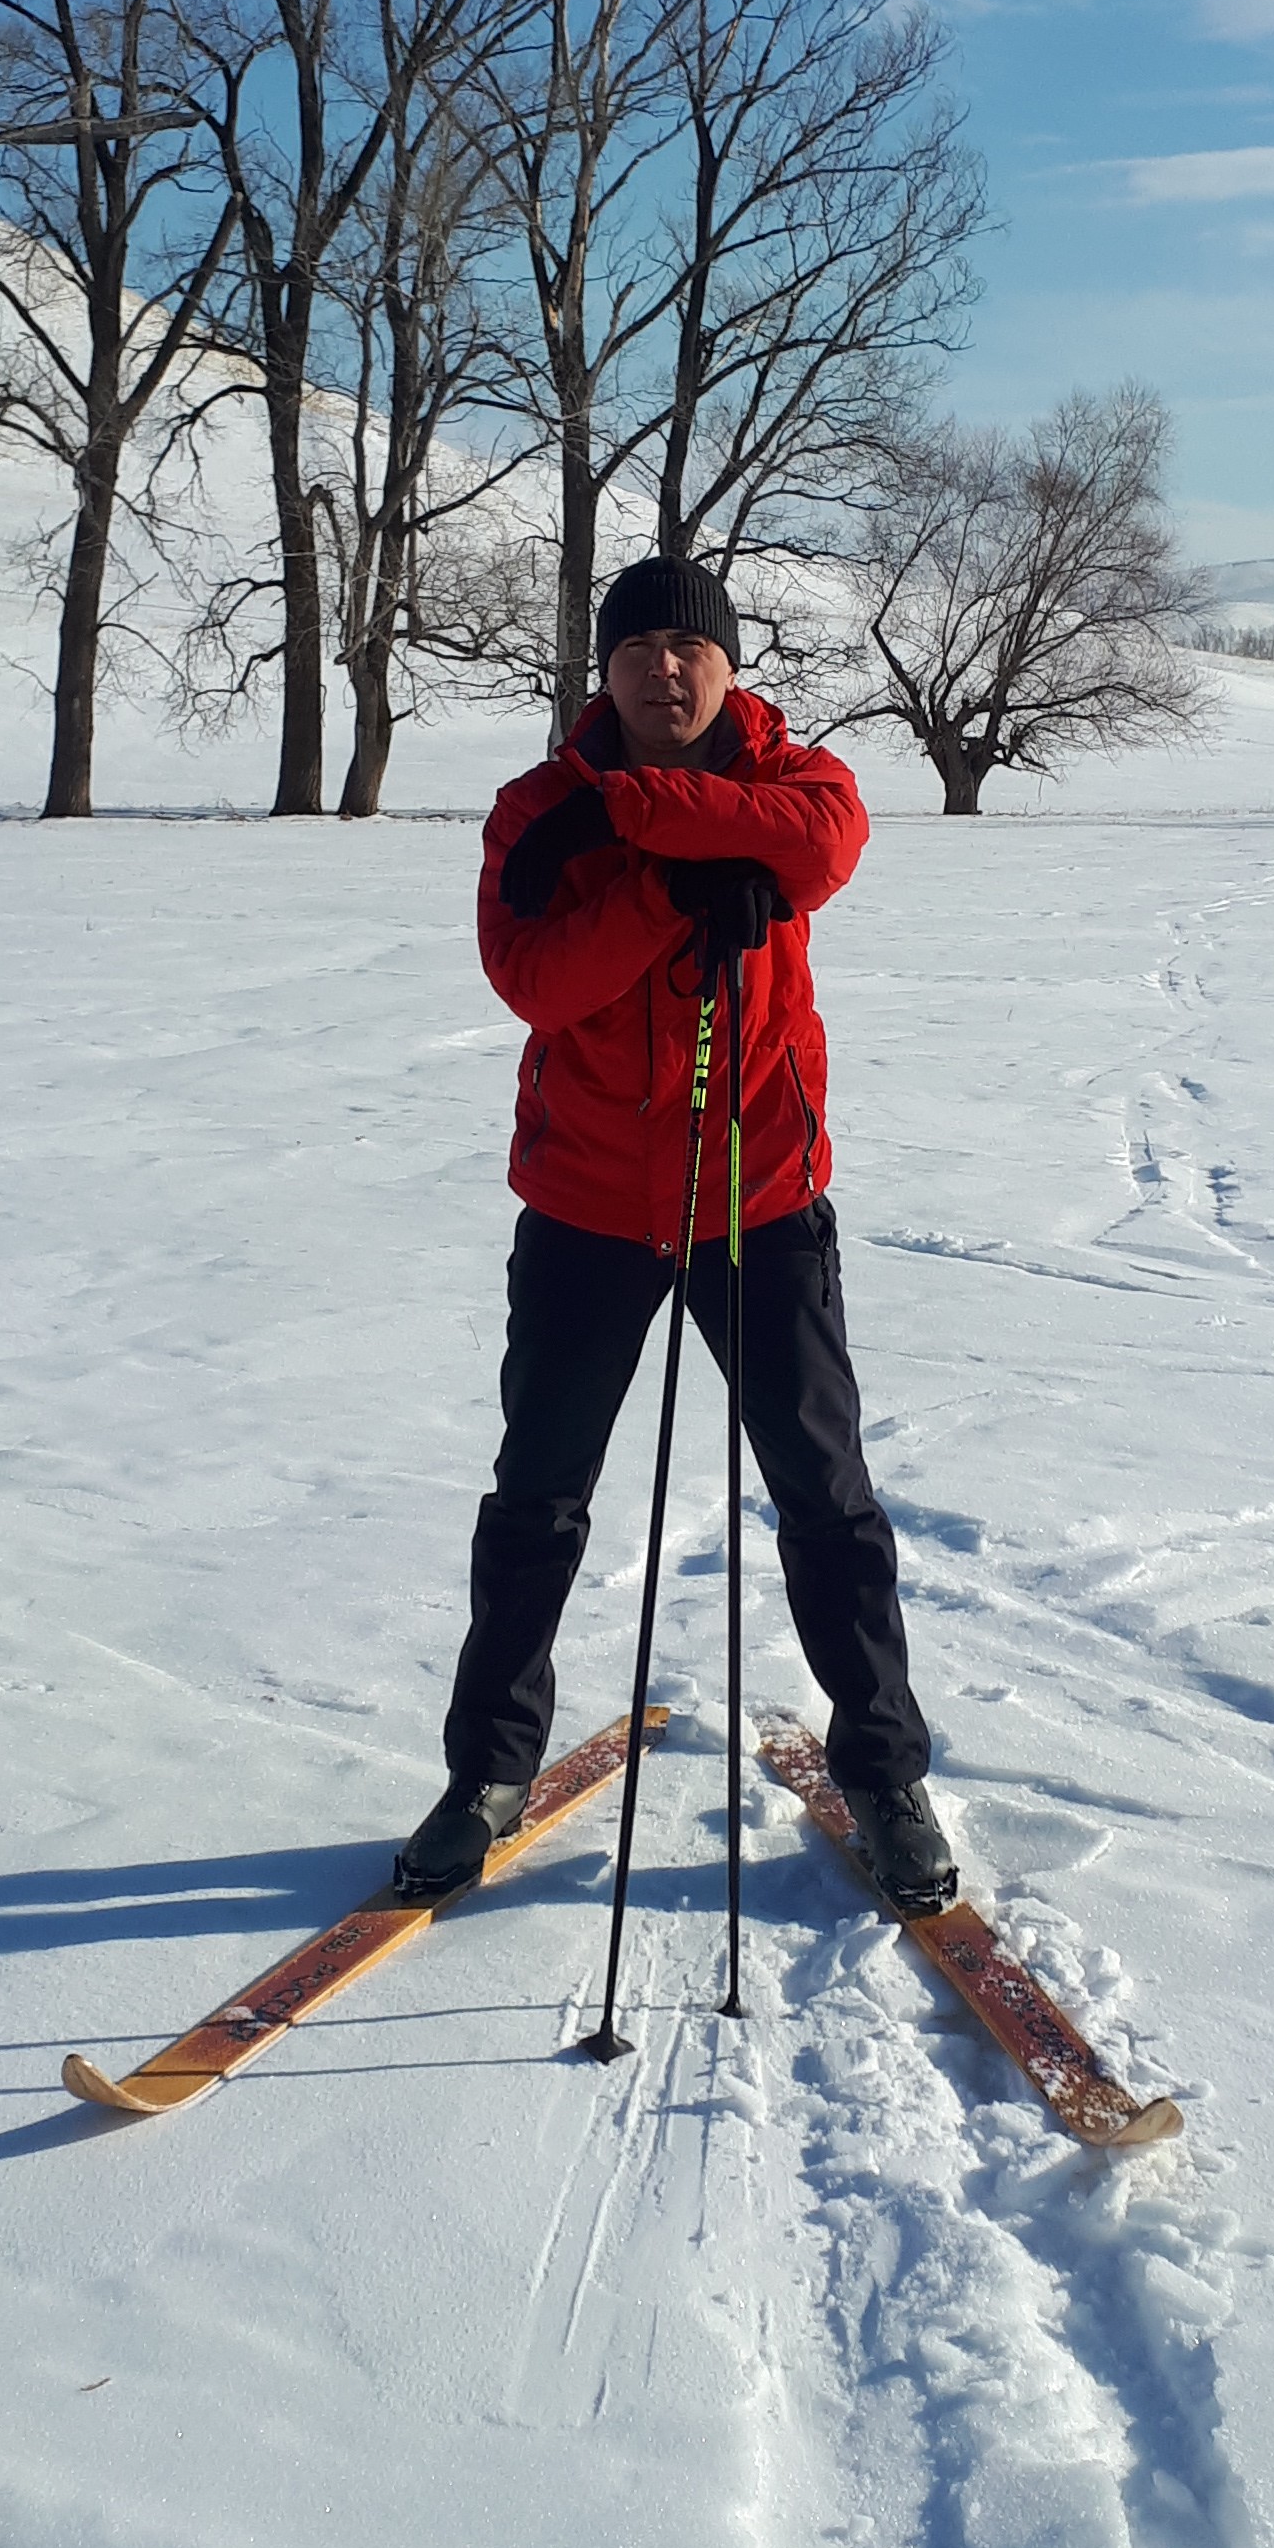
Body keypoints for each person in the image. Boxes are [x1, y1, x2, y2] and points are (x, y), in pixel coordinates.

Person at [393, 554, 960, 1918]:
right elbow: (537, 976)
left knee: (826, 1500)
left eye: (689, 649)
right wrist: (674, 884)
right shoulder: (535, 812)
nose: (665, 669)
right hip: (590, 1205)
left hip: (758, 1201)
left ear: (728, 665)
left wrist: (643, 820)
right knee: (535, 1503)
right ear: (605, 669)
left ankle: (883, 1773)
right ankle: (486, 1773)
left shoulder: (794, 781)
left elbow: (820, 850)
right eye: (638, 648)